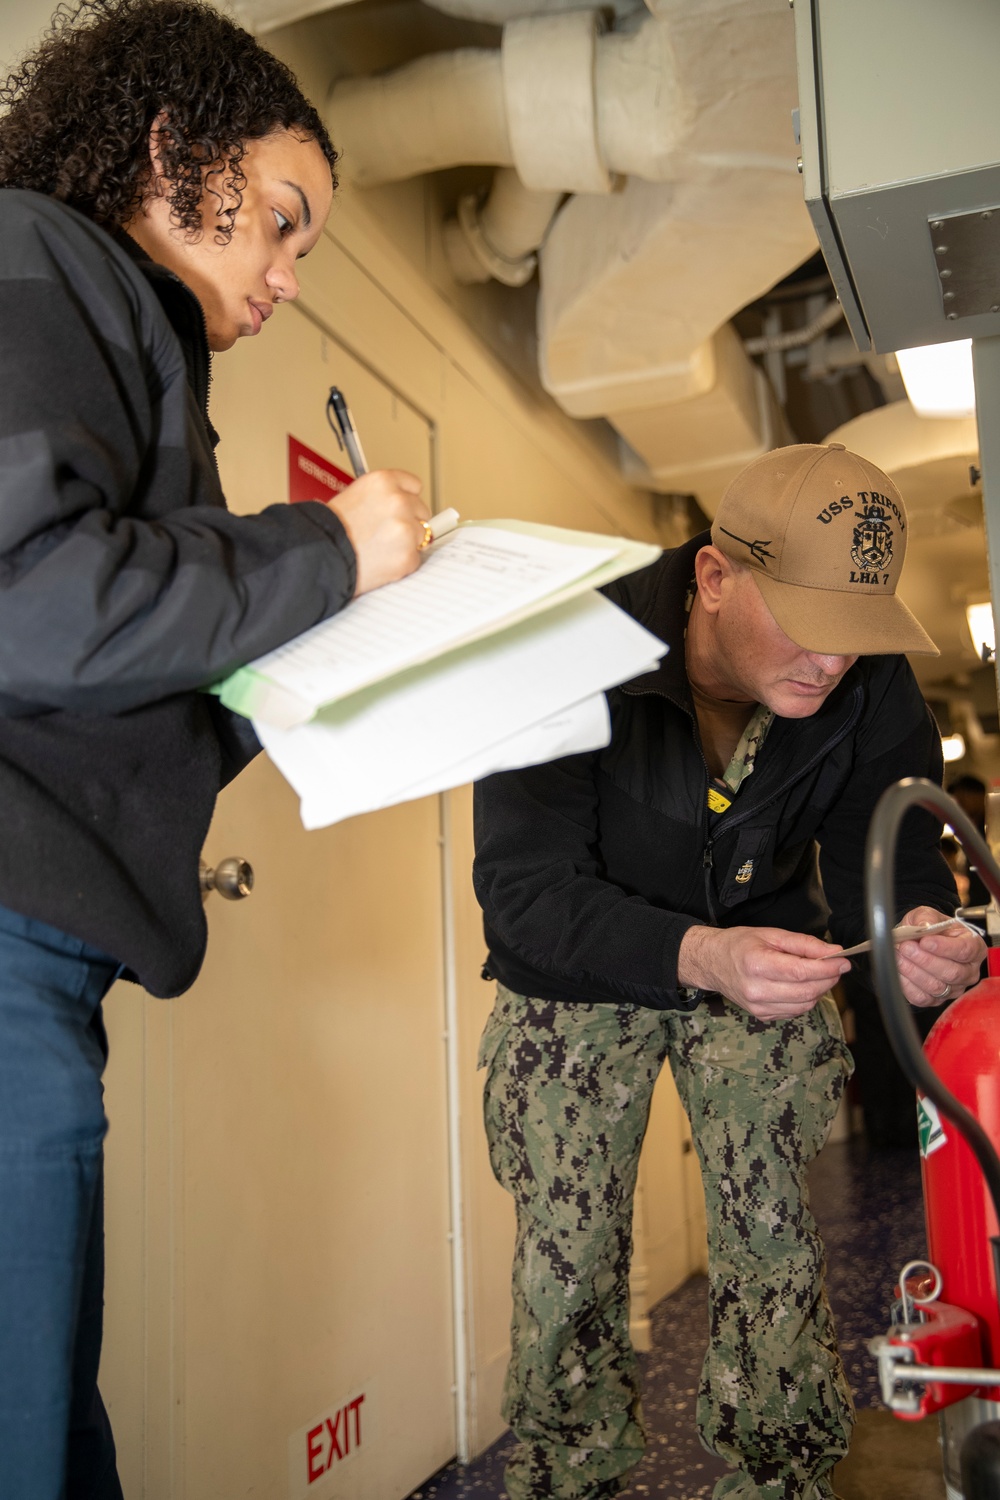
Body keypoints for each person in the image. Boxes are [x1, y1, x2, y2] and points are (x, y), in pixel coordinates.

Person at [0, 3, 431, 1496]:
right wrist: (324, 547)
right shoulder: (35, 257)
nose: (290, 276)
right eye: (284, 220)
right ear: (173, 149)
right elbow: (34, 599)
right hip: (6, 945)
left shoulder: (128, 340)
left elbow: (126, 681)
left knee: (52, 1426)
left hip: (49, 957)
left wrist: (345, 642)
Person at [472, 443, 987, 1500]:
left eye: (856, 631)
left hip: (769, 947)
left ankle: (780, 1478)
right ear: (714, 576)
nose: (831, 662)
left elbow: (884, 866)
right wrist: (698, 953)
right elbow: (524, 891)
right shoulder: (567, 645)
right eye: (806, 622)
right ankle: (567, 1477)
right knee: (567, 1255)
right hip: (579, 966)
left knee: (774, 1239)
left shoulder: (868, 680)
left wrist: (919, 938)